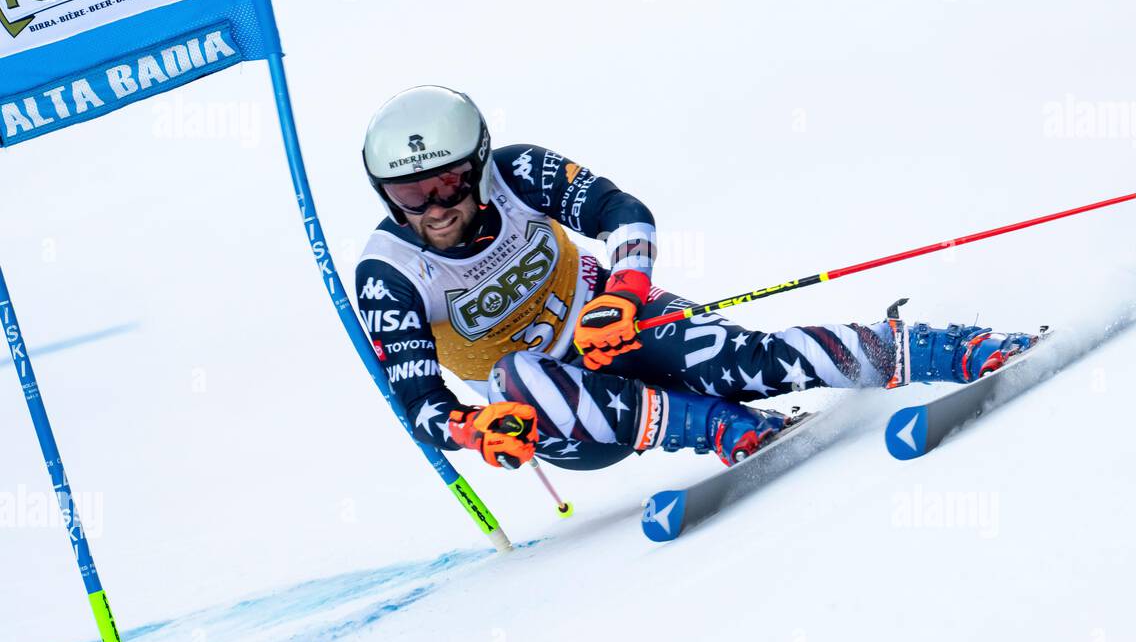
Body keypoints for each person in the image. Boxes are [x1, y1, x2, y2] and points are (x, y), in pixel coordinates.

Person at [356, 86, 1036, 472]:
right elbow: (418, 402)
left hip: (613, 326)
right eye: (410, 195)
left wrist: (621, 297)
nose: (435, 207)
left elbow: (624, 214)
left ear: (476, 166)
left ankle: (946, 349)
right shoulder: (390, 274)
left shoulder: (518, 173)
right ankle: (721, 429)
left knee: (739, 360)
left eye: (447, 183)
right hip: (562, 418)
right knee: (517, 374)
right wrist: (477, 431)